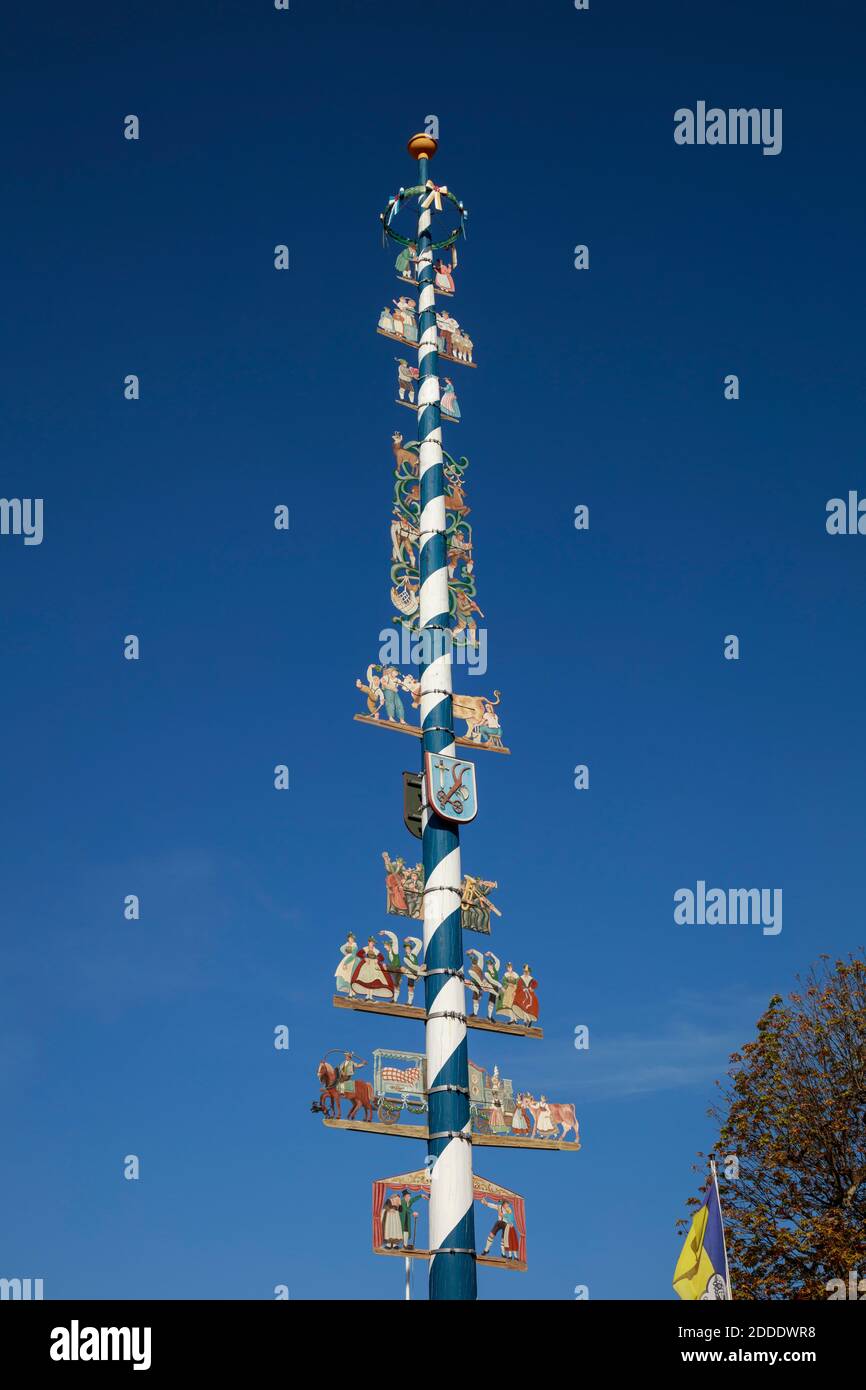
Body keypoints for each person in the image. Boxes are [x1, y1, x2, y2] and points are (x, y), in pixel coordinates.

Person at [402, 936, 422, 1006]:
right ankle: (409, 1002)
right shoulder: (405, 958)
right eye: (406, 948)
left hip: (417, 971)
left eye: (408, 948)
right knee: (410, 987)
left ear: (411, 949)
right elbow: (410, 965)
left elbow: (419, 943)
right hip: (411, 973)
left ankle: (417, 976)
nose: (407, 949)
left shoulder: (414, 953)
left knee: (424, 966)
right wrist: (419, 969)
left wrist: (410, 938)